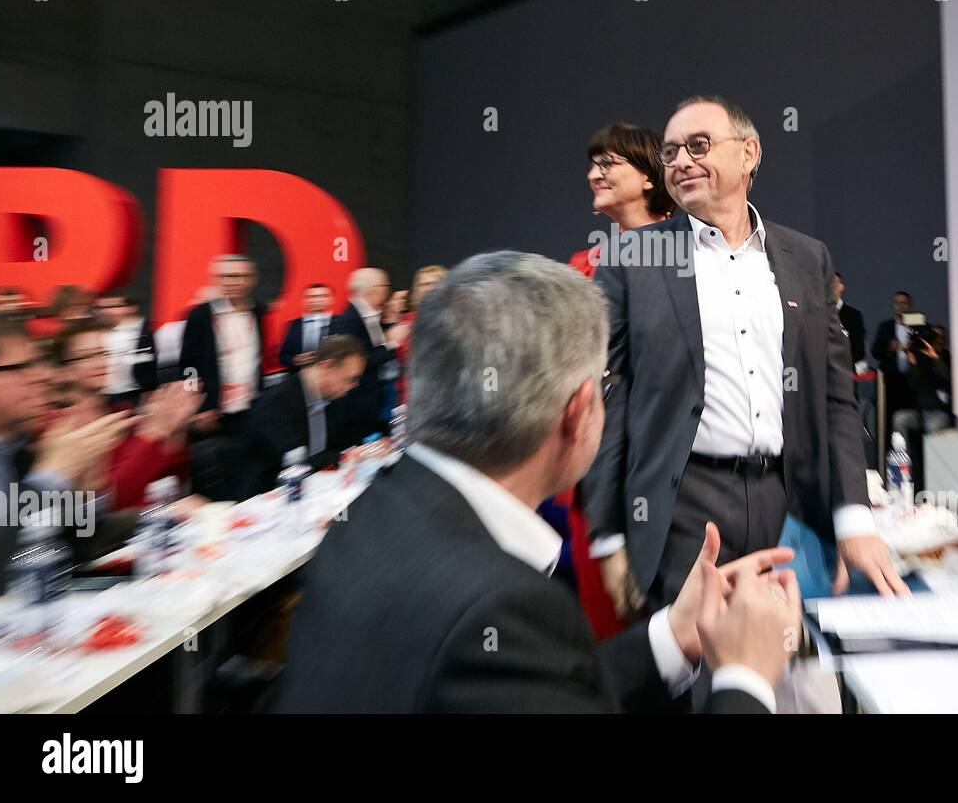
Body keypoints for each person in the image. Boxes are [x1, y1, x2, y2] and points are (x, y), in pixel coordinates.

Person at [275, 252, 800, 714]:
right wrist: (744, 678)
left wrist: (673, 635)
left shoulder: (371, 516)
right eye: (604, 384)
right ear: (578, 411)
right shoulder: (506, 605)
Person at [580, 95, 905, 627]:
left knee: (793, 674)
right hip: (684, 506)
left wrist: (853, 517)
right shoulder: (632, 258)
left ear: (749, 153)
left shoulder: (806, 258)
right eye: (669, 152)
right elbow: (607, 400)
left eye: (699, 145)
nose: (681, 161)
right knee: (696, 676)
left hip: (791, 501)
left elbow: (835, 397)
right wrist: (609, 537)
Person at [562, 122, 674, 637]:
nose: (593, 174)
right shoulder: (584, 264)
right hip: (592, 472)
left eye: (607, 163)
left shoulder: (689, 254)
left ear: (649, 176)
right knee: (608, 634)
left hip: (664, 476)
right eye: (592, 163)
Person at [0, 313, 133, 594]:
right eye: (23, 367)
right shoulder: (34, 452)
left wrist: (85, 494)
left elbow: (74, 550)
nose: (44, 376)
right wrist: (52, 477)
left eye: (40, 363)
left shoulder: (19, 450)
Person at [49, 317, 202, 509]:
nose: (100, 363)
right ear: (65, 370)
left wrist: (176, 431)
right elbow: (105, 502)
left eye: (103, 354)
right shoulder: (60, 427)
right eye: (87, 356)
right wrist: (154, 432)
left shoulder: (121, 411)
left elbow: (169, 475)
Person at [235, 335, 365, 499]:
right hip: (270, 499)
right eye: (350, 379)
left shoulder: (333, 397)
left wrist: (358, 452)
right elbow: (296, 461)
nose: (353, 386)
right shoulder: (276, 403)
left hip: (317, 491)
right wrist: (344, 456)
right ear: (327, 366)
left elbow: (341, 443)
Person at [178, 255, 266, 435]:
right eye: (227, 276)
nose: (234, 282)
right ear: (216, 279)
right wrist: (196, 405)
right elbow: (188, 366)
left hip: (252, 404)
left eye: (240, 276)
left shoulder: (258, 311)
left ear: (253, 279)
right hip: (213, 411)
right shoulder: (199, 315)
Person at [328, 267, 405, 448]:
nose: (387, 291)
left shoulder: (370, 316)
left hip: (371, 403)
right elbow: (358, 363)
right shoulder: (349, 320)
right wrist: (392, 344)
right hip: (356, 407)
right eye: (385, 286)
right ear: (374, 289)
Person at [890, 324, 953, 493]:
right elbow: (913, 384)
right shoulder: (919, 358)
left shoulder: (945, 358)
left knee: (931, 427)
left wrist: (935, 357)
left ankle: (934, 478)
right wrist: (912, 360)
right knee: (900, 419)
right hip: (920, 411)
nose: (932, 343)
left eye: (937, 339)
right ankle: (905, 467)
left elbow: (947, 380)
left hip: (939, 413)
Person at [94, 292, 156, 404]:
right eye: (102, 307)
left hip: (135, 396)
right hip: (103, 397)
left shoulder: (147, 333)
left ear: (131, 308)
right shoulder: (96, 334)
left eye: (114, 306)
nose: (107, 311)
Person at [278, 282, 334, 373]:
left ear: (332, 299)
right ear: (304, 300)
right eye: (311, 297)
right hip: (300, 378)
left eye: (323, 296)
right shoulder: (293, 325)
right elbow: (283, 357)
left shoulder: (343, 322)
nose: (317, 300)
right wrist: (295, 360)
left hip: (334, 378)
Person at [832, 272, 866, 369]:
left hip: (845, 373)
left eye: (833, 283)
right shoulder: (816, 314)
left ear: (841, 287)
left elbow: (859, 349)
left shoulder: (853, 315)